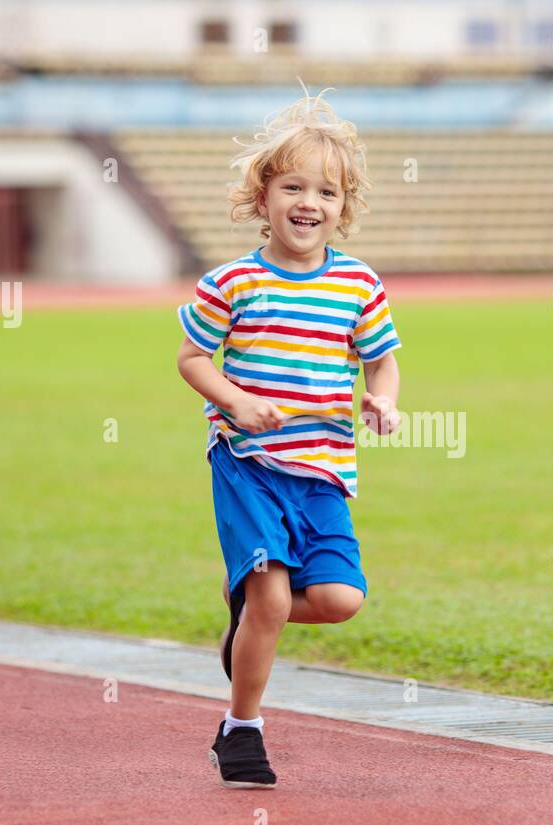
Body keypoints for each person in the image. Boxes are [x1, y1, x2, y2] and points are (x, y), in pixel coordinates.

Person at [176, 82, 402, 788]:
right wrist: (236, 401)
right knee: (272, 599)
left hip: (324, 470)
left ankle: (245, 615)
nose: (310, 203)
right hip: (249, 462)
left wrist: (384, 400)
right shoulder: (233, 282)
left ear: (344, 208)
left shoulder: (358, 285)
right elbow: (191, 359)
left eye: (327, 193)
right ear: (264, 195)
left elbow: (381, 357)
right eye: (294, 187)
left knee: (339, 601)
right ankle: (241, 732)